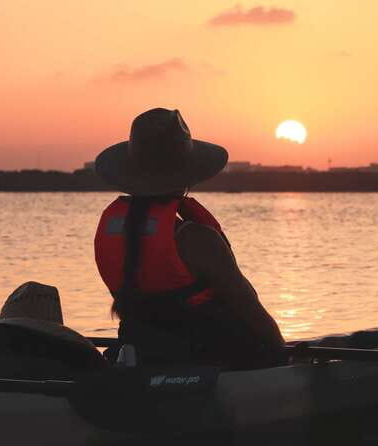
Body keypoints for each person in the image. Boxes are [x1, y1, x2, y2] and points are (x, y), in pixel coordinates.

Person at [93, 108, 285, 369]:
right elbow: (250, 310)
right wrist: (284, 357)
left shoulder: (115, 234)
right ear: (186, 176)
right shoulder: (197, 240)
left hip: (142, 356)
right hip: (210, 364)